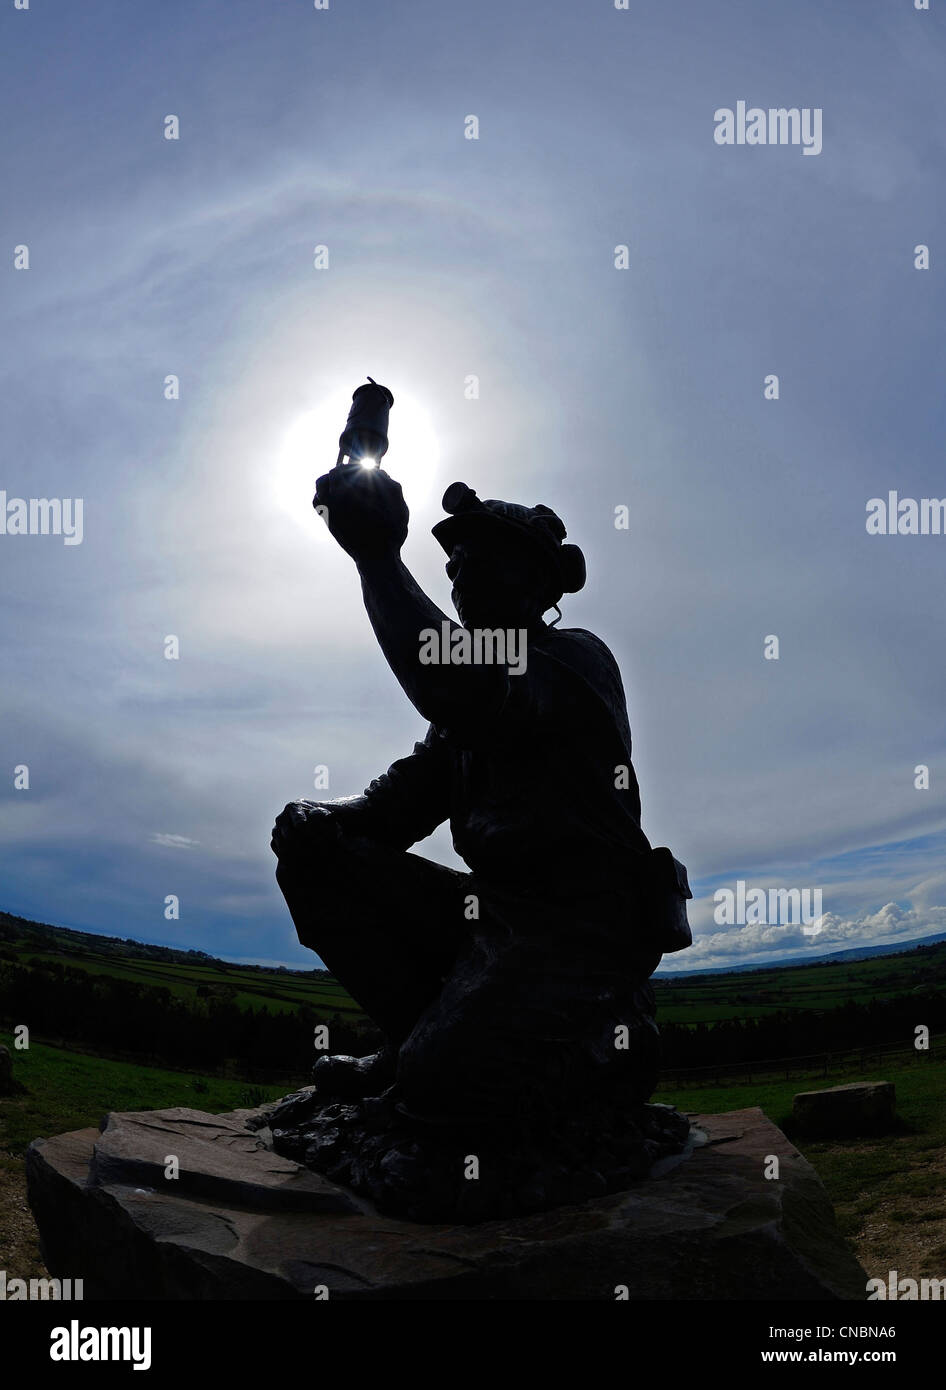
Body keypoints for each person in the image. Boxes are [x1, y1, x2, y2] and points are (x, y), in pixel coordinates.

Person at [271, 466, 691, 1131]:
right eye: (456, 567)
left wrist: (378, 557)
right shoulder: (466, 708)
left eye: (482, 562)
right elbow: (395, 809)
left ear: (537, 581)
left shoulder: (573, 660)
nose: (460, 580)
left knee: (444, 1090)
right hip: (494, 916)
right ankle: (412, 1041)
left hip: (580, 929)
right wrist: (321, 819)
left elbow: (459, 687)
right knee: (317, 861)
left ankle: (594, 1050)